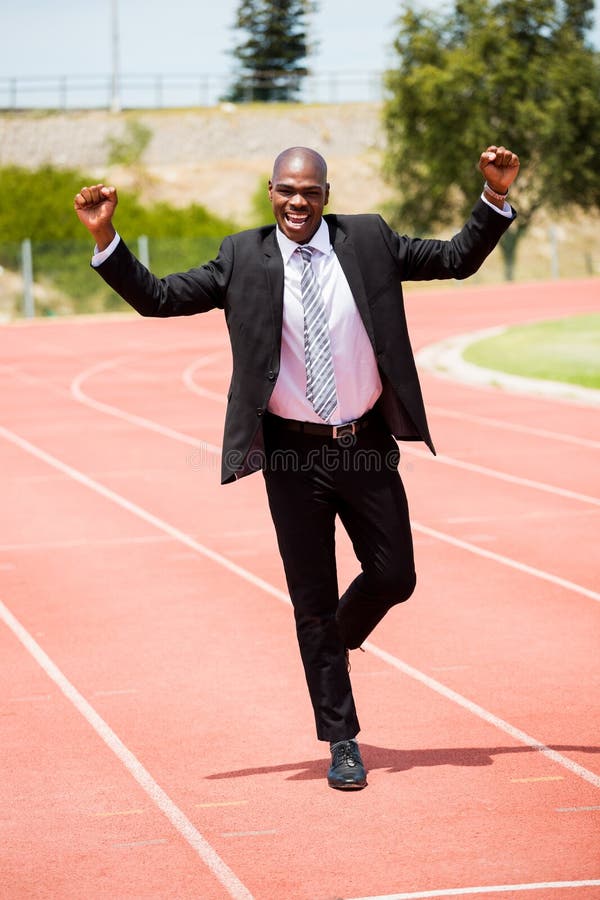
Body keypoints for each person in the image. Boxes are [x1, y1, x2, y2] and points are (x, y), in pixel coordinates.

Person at [74, 144, 519, 790]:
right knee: (310, 603)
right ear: (270, 192)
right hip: (290, 455)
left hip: (364, 444)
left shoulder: (367, 241)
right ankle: (342, 740)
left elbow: (454, 258)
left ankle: (334, 640)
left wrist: (495, 198)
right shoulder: (240, 258)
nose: (297, 202)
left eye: (309, 192)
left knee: (395, 575)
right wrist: (107, 237)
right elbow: (161, 298)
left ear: (327, 196)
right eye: (287, 190)